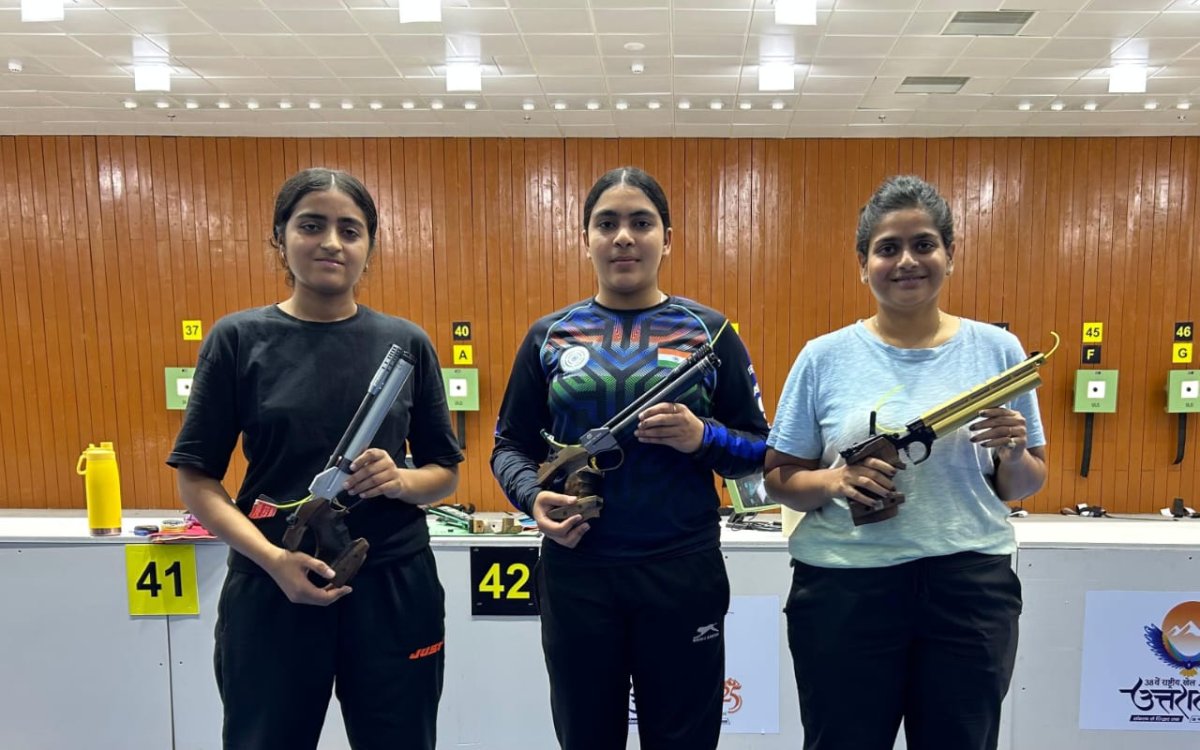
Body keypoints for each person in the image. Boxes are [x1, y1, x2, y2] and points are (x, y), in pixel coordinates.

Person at [167, 168, 462, 750]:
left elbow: (444, 473)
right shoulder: (237, 340)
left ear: (369, 246)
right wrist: (273, 558)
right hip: (272, 584)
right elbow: (198, 480)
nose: (332, 242)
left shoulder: (408, 344)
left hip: (392, 587)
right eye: (312, 225)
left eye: (350, 230)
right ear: (280, 237)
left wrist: (400, 481)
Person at [764, 174, 1047, 750]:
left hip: (967, 589)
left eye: (924, 244)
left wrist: (1014, 451)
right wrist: (837, 480)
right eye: (888, 247)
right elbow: (779, 477)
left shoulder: (999, 353)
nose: (907, 261)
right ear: (863, 263)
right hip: (845, 591)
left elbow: (1023, 483)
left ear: (950, 255)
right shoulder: (824, 358)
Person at [491, 166, 769, 750]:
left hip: (681, 571)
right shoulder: (549, 336)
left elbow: (760, 450)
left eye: (641, 223)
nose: (624, 237)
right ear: (585, 237)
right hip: (577, 575)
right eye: (607, 223)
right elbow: (508, 446)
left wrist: (704, 439)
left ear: (667, 237)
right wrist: (533, 496)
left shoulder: (711, 334)